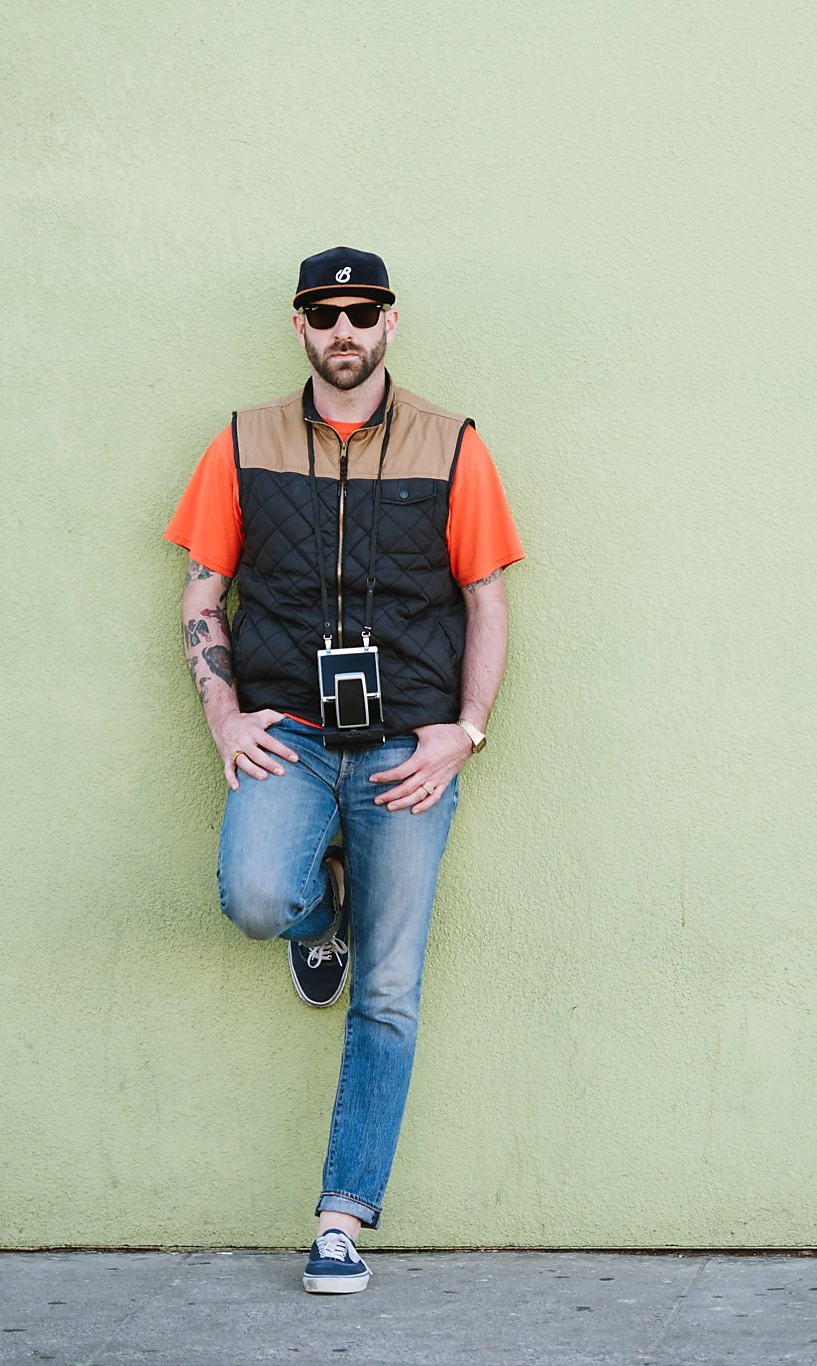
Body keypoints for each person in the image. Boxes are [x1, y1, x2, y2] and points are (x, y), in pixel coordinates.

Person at [163, 246, 522, 1294]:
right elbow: (199, 595)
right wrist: (225, 716)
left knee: (392, 990)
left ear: (390, 324)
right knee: (256, 897)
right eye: (325, 314)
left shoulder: (452, 443)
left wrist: (467, 728)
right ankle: (323, 916)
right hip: (290, 737)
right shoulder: (242, 442)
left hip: (409, 747)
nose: (344, 331)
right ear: (300, 327)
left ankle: (340, 1217)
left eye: (363, 313)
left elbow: (488, 600)